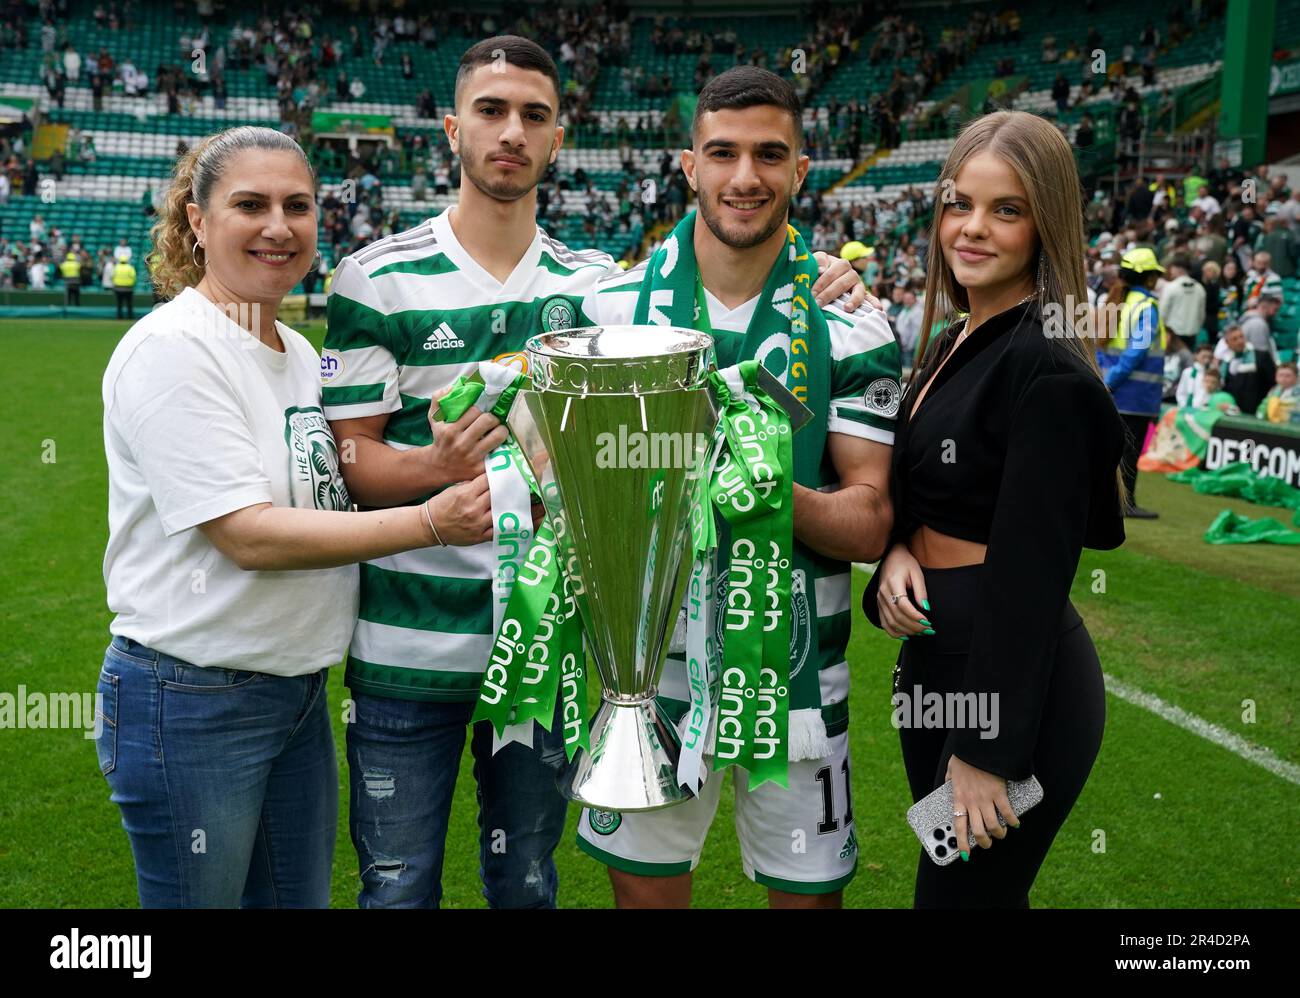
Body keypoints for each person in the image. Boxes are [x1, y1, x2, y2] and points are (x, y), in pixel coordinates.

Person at [322, 38, 868, 911]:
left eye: (533, 115)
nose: (511, 132)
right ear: (452, 125)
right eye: (492, 112)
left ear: (559, 135)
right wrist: (437, 471)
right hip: (407, 647)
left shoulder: (595, 292)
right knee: (395, 890)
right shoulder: (374, 275)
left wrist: (820, 267)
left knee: (528, 886)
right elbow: (347, 465)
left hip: (552, 651)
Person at [98, 125, 483, 908]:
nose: (279, 226)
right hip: (193, 695)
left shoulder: (301, 356)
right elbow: (247, 533)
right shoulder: (173, 349)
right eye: (251, 205)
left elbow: (334, 483)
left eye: (298, 206)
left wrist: (431, 468)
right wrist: (432, 521)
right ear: (197, 223)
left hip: (295, 692)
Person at [575, 67, 899, 909]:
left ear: (801, 170)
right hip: (647, 675)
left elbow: (868, 523)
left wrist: (754, 493)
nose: (744, 177)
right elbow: (565, 490)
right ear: (689, 166)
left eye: (769, 154)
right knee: (646, 898)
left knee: (807, 899)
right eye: (722, 152)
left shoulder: (854, 321)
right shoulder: (610, 313)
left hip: (796, 682)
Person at [863, 109, 1126, 909]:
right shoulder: (950, 342)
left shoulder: (1043, 368)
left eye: (1005, 210)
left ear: (1045, 223)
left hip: (1011, 694)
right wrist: (900, 548)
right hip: (936, 666)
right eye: (958, 203)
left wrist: (987, 750)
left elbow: (1031, 572)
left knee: (955, 905)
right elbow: (931, 489)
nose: (972, 228)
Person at [1098, 247, 1166, 518]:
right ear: (1149, 277)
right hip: (1134, 394)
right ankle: (1125, 504)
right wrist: (1110, 382)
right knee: (1128, 452)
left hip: (1113, 390)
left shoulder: (1117, 301)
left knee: (1112, 449)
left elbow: (1101, 347)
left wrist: (1104, 381)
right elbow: (1136, 352)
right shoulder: (1146, 306)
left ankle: (1109, 502)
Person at [1220, 323, 1275, 415]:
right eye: (1235, 339)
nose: (1240, 341)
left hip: (1256, 411)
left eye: (1241, 336)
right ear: (1227, 343)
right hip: (1233, 411)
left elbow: (1272, 382)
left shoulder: (1261, 356)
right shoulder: (1226, 362)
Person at [1175, 343, 1215, 408]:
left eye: (1209, 357)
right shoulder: (1188, 372)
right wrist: (1184, 406)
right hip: (1187, 408)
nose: (1207, 360)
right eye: (1204, 356)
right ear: (1196, 355)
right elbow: (1180, 393)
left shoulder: (1213, 373)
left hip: (1205, 409)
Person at [111, 254, 137, 319]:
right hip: (128, 288)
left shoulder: (116, 267)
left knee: (119, 304)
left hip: (118, 288)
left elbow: (112, 276)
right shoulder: (130, 267)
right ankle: (130, 317)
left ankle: (119, 317)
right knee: (129, 304)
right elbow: (134, 277)